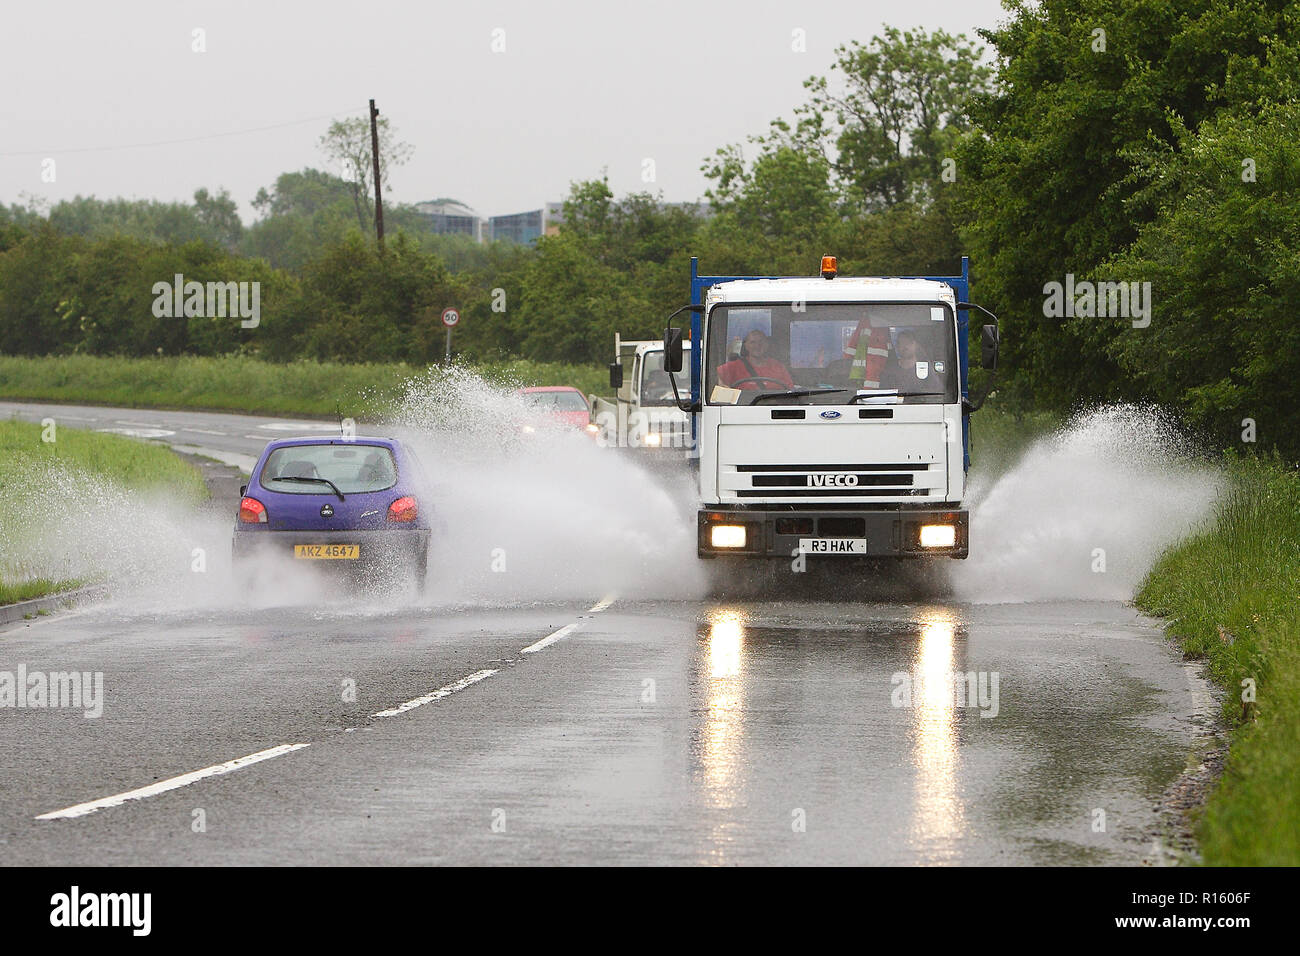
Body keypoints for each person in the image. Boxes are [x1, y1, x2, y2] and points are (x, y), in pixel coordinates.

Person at [716, 330, 795, 390]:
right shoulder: (734, 366)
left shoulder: (778, 367)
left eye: (761, 341)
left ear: (767, 344)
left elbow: (790, 390)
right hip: (742, 409)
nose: (757, 345)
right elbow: (713, 378)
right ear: (746, 346)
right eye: (752, 342)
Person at [879, 329, 944, 392]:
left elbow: (937, 392)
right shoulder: (889, 372)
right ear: (897, 347)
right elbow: (884, 395)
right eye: (901, 343)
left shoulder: (926, 369)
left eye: (909, 342)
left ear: (916, 345)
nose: (905, 346)